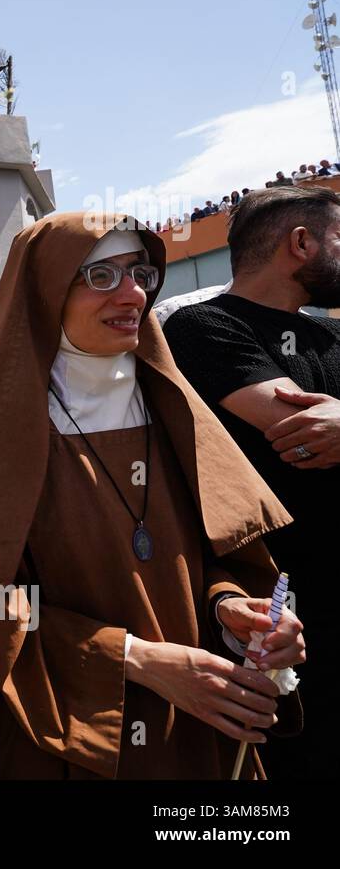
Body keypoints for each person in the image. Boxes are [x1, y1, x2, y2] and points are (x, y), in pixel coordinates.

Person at [0, 212, 305, 779]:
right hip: (71, 741)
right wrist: (134, 659)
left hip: (199, 729)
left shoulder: (173, 410)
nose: (133, 292)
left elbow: (217, 557)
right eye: (101, 276)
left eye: (139, 272)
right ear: (47, 291)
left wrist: (230, 607)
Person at [164, 185, 340, 778]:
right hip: (271, 606)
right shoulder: (204, 326)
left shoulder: (333, 336)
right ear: (301, 242)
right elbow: (301, 431)